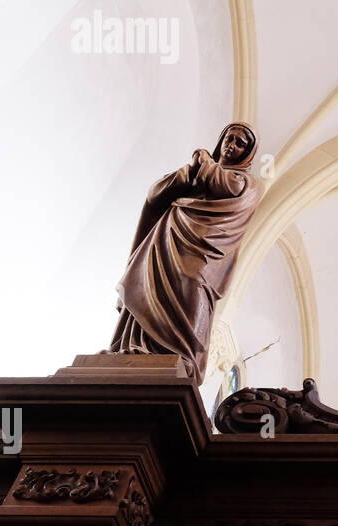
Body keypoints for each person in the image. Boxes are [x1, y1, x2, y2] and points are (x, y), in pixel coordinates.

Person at [111, 123, 262, 381]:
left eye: (239, 144)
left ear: (247, 154)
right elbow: (155, 193)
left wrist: (203, 162)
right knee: (148, 287)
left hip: (204, 252)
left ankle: (184, 357)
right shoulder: (197, 171)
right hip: (167, 240)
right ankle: (134, 347)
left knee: (192, 286)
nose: (231, 145)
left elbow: (229, 188)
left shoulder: (248, 182)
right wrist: (190, 170)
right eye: (229, 138)